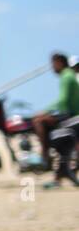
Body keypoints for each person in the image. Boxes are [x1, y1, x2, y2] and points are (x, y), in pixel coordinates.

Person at [32, 52, 79, 186]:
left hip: (70, 114)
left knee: (38, 121)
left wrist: (45, 112)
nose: (52, 67)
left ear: (59, 62)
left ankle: (44, 155)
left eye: (53, 64)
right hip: (70, 112)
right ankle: (57, 174)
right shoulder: (70, 76)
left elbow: (63, 102)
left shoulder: (67, 76)